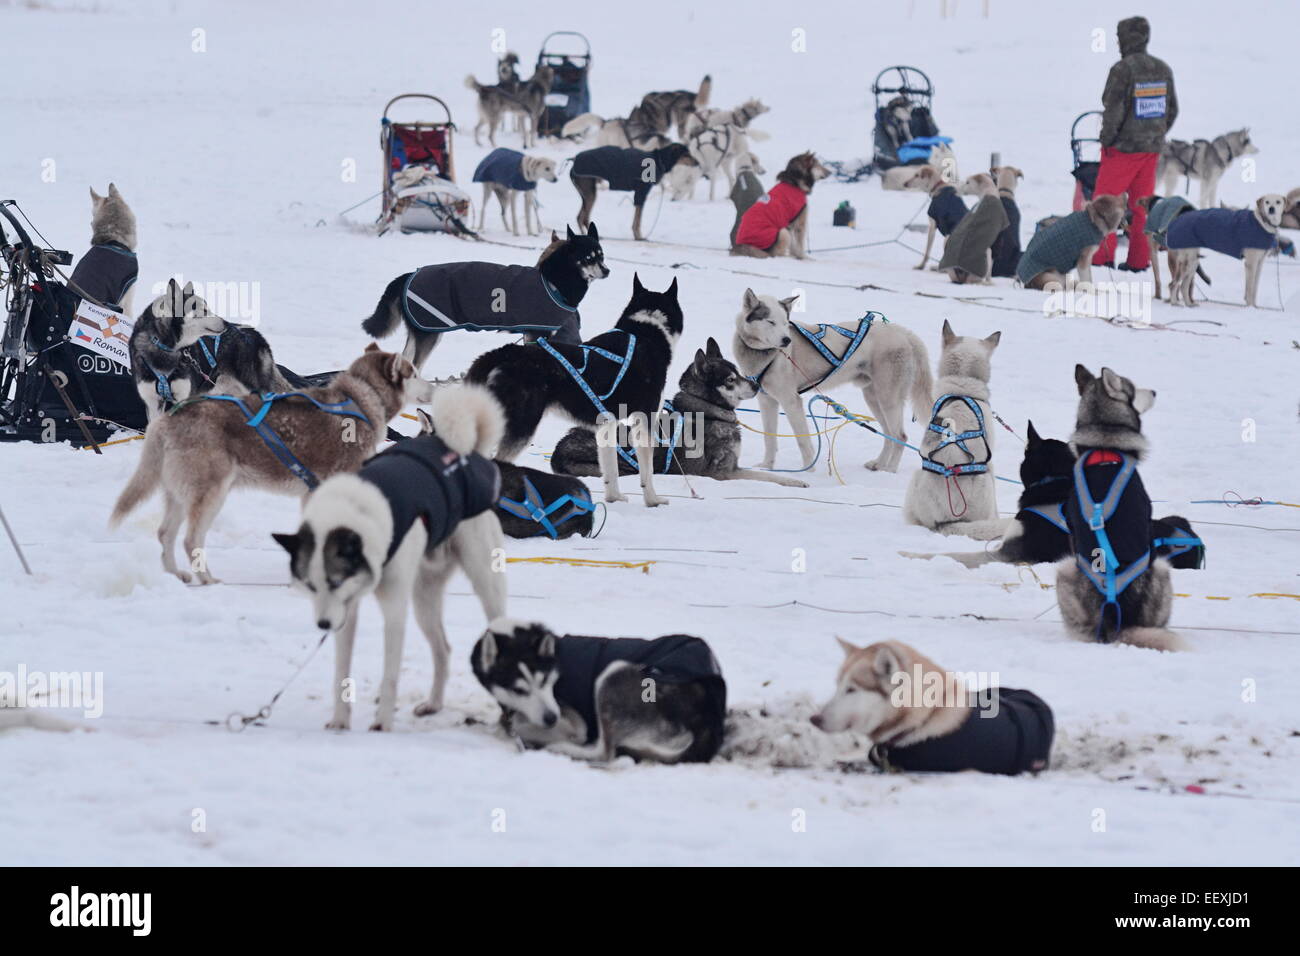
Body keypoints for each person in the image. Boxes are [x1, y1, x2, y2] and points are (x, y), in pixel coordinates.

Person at [1091, 15, 1178, 272]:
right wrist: (1155, 134)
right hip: (1151, 151)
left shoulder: (1122, 69)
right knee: (1142, 208)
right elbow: (1172, 110)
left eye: (1119, 37)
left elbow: (1113, 110)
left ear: (1128, 39)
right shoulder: (1163, 68)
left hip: (1121, 151)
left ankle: (1101, 258)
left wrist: (1108, 140)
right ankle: (1140, 261)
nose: (1118, 43)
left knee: (1103, 205)